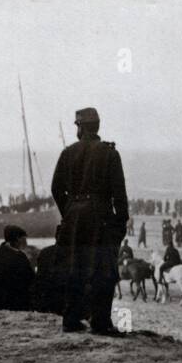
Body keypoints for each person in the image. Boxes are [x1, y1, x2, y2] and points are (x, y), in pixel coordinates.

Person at [52, 107, 129, 334]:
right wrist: (120, 224)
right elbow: (119, 194)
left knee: (74, 266)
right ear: (96, 127)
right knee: (103, 269)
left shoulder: (68, 152)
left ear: (80, 127)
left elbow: (56, 188)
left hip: (74, 217)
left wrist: (70, 211)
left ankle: (71, 318)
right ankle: (101, 321)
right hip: (101, 217)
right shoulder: (110, 153)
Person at [0, 225, 35, 311]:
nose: (25, 241)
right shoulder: (20, 257)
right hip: (15, 302)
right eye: (23, 238)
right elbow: (30, 278)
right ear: (17, 239)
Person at [33, 225, 67, 315]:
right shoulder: (72, 254)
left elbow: (39, 278)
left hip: (46, 300)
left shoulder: (45, 252)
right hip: (63, 300)